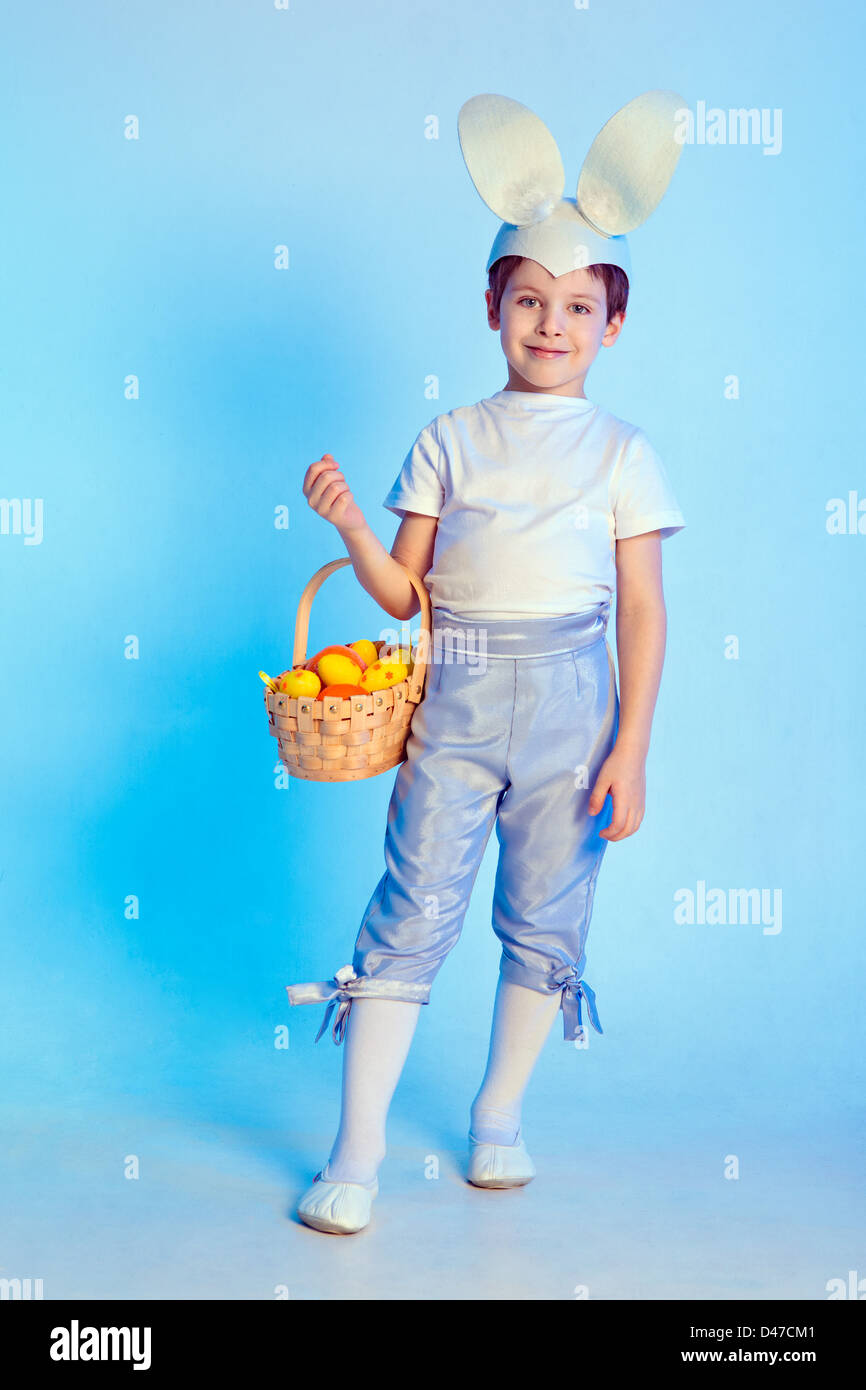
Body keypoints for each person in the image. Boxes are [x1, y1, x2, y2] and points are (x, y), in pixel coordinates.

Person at [285, 91, 687, 1234]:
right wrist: (357, 531)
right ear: (489, 306)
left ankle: (497, 1113)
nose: (548, 324)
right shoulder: (450, 436)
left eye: (574, 306)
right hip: (453, 694)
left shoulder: (622, 452)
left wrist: (632, 745)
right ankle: (356, 1144)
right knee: (411, 905)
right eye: (527, 300)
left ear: (611, 323)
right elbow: (406, 593)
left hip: (573, 703)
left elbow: (643, 611)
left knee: (547, 913)